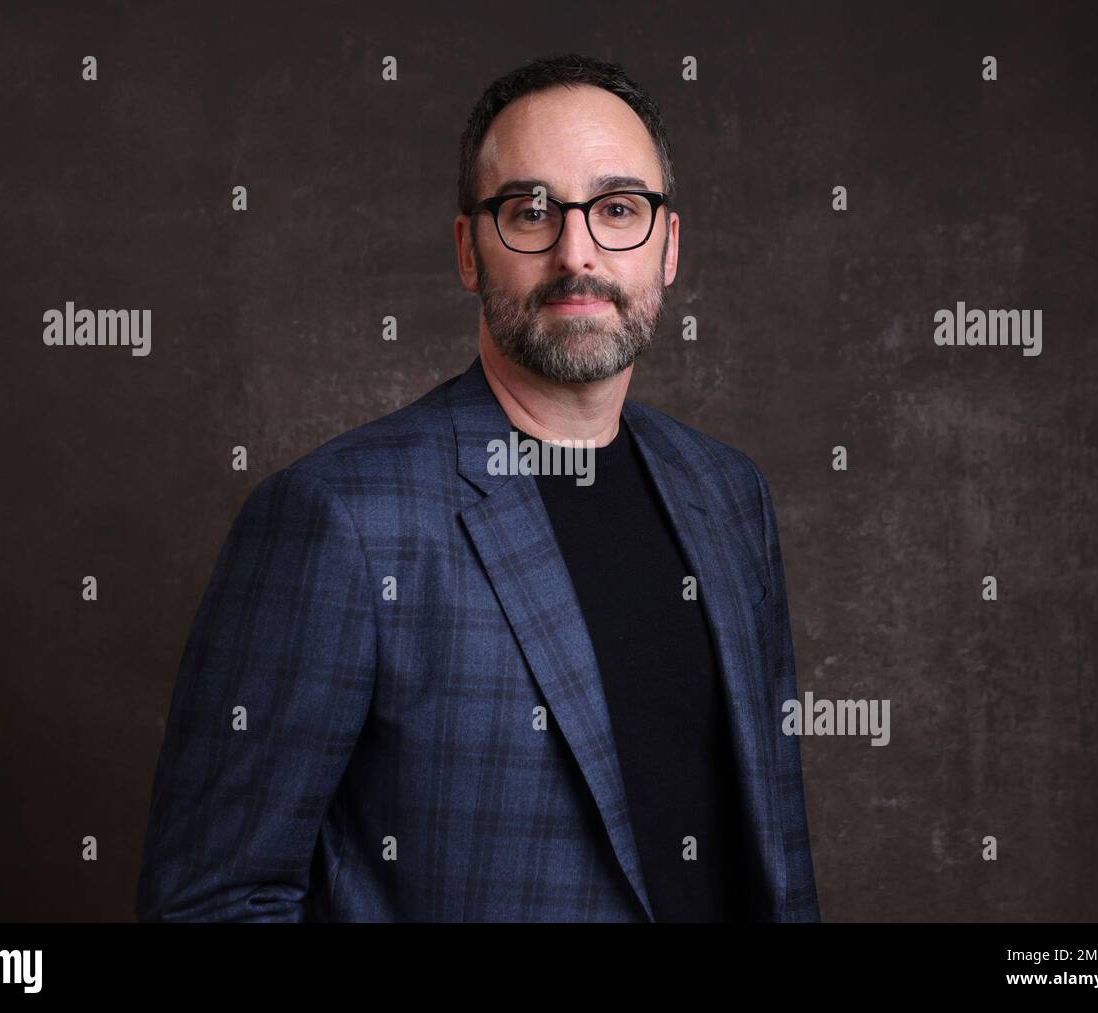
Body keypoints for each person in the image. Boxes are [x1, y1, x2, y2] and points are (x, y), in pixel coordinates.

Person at [136, 52, 819, 923]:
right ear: (469, 249)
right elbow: (209, 904)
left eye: (618, 209)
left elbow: (778, 867)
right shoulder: (338, 519)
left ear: (668, 247)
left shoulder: (730, 497)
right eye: (529, 211)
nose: (578, 252)